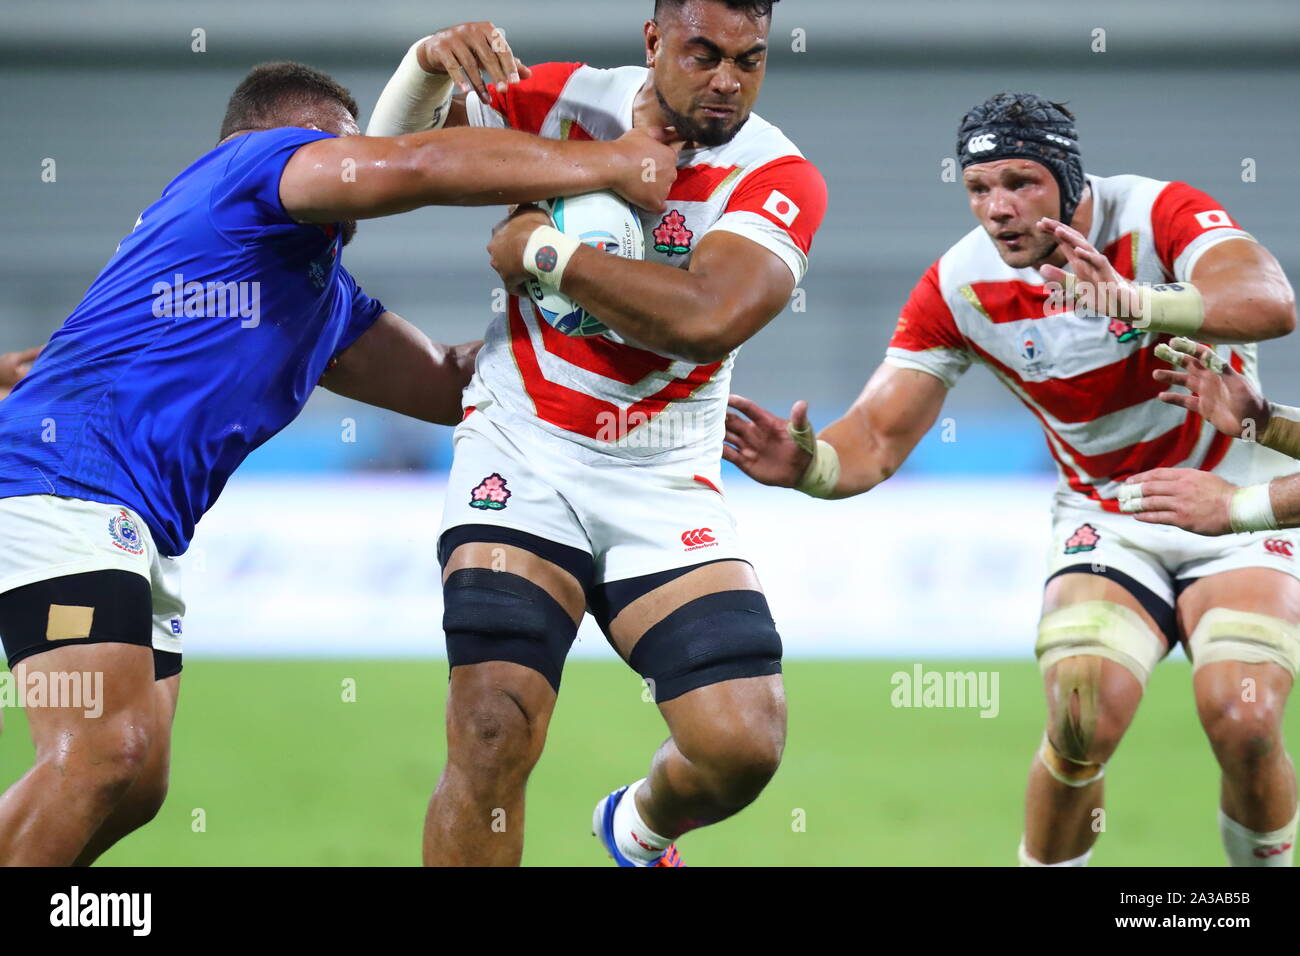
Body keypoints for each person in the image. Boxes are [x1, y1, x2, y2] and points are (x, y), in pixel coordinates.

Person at [0, 57, 678, 866]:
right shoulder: (247, 170)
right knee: (102, 754)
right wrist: (610, 163)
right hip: (62, 488)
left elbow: (455, 383)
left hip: (139, 522)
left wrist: (589, 305)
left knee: (134, 781)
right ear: (296, 141)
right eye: (343, 149)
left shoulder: (318, 298)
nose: (358, 169)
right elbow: (418, 164)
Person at [724, 92, 1299, 866]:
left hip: (1233, 505)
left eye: (1021, 181)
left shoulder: (1158, 215)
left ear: (1068, 178)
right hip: (1109, 516)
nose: (998, 209)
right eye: (979, 188)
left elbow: (1270, 299)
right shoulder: (960, 286)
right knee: (1080, 719)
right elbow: (879, 434)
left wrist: (1133, 301)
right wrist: (812, 466)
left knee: (1245, 719)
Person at [367, 3, 827, 866]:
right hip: (522, 453)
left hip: (661, 479)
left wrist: (545, 251)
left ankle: (639, 826)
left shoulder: (778, 174)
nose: (727, 79)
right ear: (654, 42)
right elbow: (387, 165)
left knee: (742, 744)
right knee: (492, 726)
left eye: (750, 59)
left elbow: (707, 317)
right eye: (704, 54)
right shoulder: (565, 100)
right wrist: (425, 65)